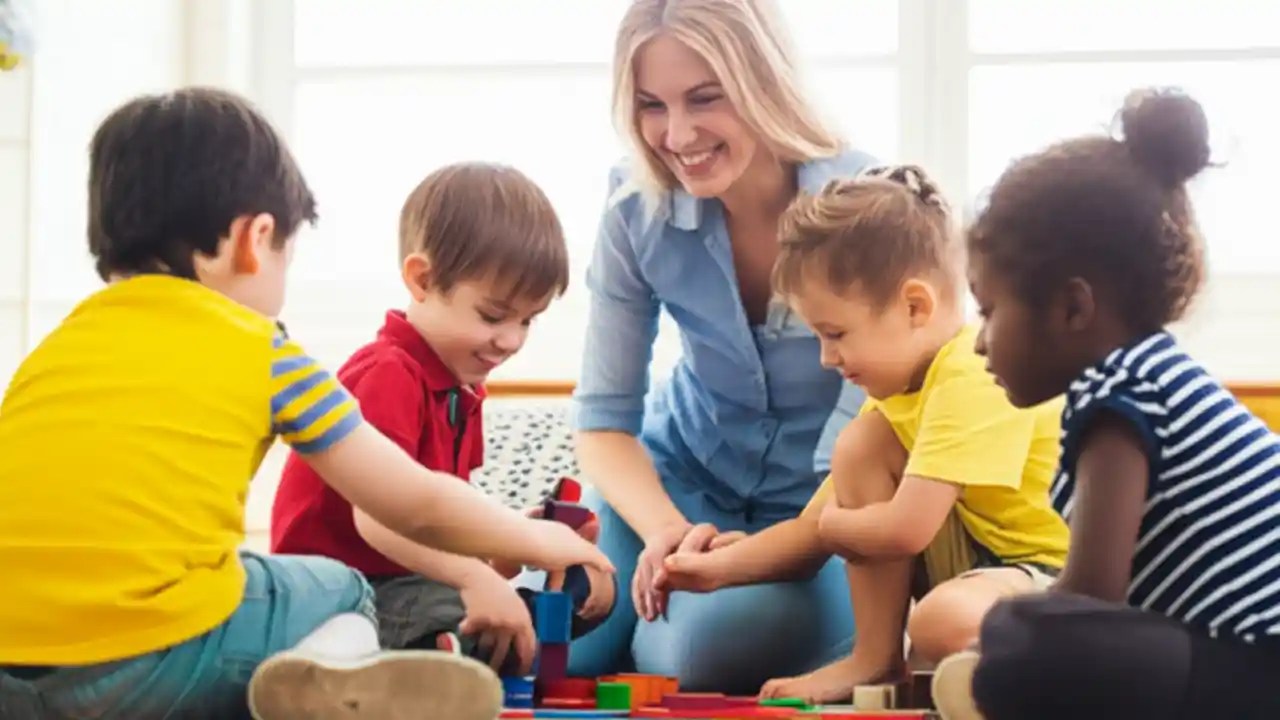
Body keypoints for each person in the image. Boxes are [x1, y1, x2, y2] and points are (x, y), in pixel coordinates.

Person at [0, 87, 611, 720]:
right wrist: (539, 541)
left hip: (10, 670)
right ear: (255, 239)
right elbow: (415, 504)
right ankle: (326, 694)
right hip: (149, 661)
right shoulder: (260, 347)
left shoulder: (53, 352)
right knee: (342, 594)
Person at [930, 88, 1280, 720]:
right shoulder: (1159, 373)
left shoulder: (1120, 393)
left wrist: (1007, 636)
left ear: (1072, 307)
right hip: (1245, 658)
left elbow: (1091, 597)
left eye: (989, 310)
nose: (979, 344)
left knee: (1025, 637)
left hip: (1257, 668)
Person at [660, 165, 1070, 704]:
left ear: (914, 307)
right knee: (861, 446)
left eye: (835, 335)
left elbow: (901, 532)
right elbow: (813, 535)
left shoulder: (973, 374)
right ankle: (878, 660)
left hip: (1053, 578)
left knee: (939, 621)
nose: (828, 359)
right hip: (985, 571)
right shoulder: (896, 401)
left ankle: (1057, 683)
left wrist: (830, 529)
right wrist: (716, 569)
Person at [568, 0, 879, 692]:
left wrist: (734, 566)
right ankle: (642, 629)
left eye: (705, 98)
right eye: (652, 105)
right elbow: (603, 419)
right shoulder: (633, 206)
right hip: (675, 485)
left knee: (701, 650)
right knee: (545, 634)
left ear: (764, 82)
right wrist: (667, 534)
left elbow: (868, 452)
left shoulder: (867, 210)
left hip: (811, 522)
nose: (676, 135)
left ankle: (660, 635)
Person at [272, 162, 615, 679]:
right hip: (344, 586)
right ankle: (419, 665)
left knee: (571, 597)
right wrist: (476, 578)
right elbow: (381, 520)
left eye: (527, 320)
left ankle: (465, 653)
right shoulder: (387, 372)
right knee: (454, 613)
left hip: (409, 580)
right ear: (423, 279)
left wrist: (513, 543)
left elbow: (442, 518)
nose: (512, 340)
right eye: (493, 316)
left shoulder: (462, 389)